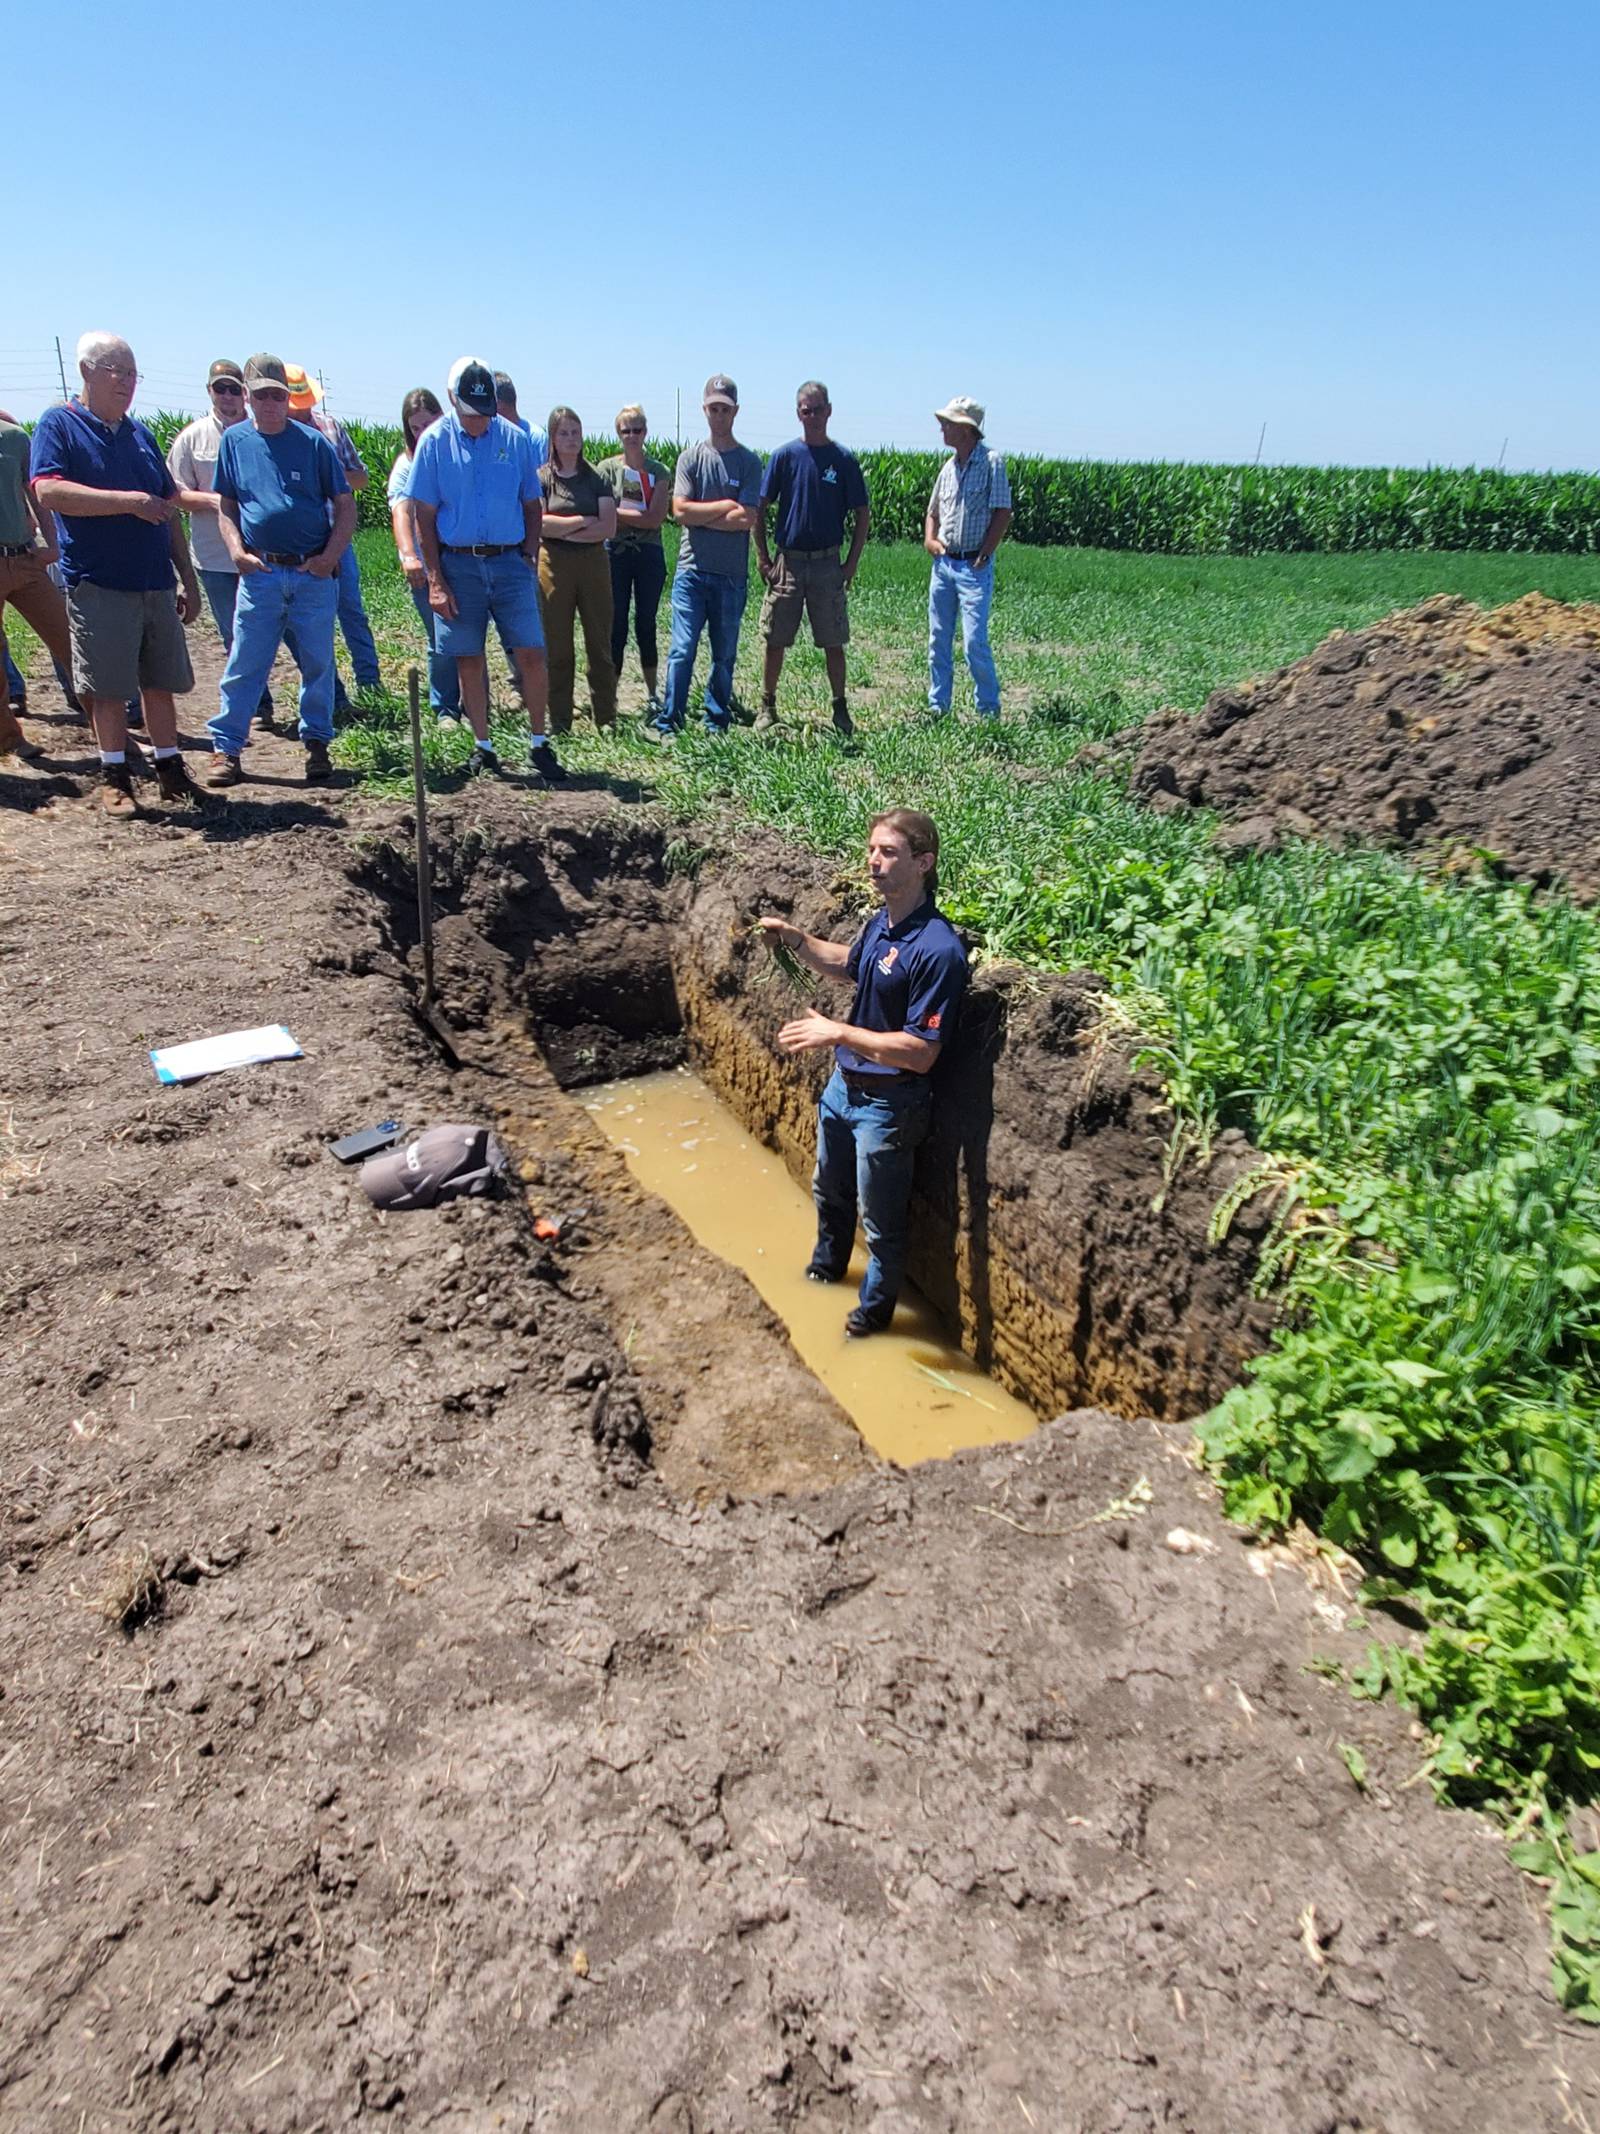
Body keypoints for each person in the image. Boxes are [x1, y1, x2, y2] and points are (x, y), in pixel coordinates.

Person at [756, 809, 968, 1338]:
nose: (874, 863)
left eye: (888, 853)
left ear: (924, 863)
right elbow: (851, 962)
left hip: (889, 1108)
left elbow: (921, 1052)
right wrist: (797, 941)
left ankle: (869, 1320)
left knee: (881, 1227)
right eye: (872, 850)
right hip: (842, 1090)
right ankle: (824, 1271)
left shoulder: (939, 950)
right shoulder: (881, 923)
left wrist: (839, 1034)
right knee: (829, 1191)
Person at [29, 330, 204, 815]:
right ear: (86, 372)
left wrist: (187, 578)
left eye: (132, 373)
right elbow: (48, 492)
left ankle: (171, 773)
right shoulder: (59, 425)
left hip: (154, 582)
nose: (127, 382)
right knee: (107, 688)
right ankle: (115, 778)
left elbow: (167, 510)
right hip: (99, 582)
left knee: (160, 681)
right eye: (116, 371)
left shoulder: (139, 434)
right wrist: (127, 503)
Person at [406, 355, 563, 781]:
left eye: (486, 411)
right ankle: (483, 746)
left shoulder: (512, 440)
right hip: (459, 566)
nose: (480, 421)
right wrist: (435, 580)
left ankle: (539, 743)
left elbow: (533, 504)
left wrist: (529, 556)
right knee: (468, 658)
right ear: (454, 400)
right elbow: (422, 513)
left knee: (531, 651)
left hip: (510, 564)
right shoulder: (435, 442)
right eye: (471, 413)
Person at [203, 353, 354, 787]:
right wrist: (236, 551)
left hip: (311, 573)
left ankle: (317, 744)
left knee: (317, 662)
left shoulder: (312, 443)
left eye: (277, 395)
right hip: (261, 574)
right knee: (245, 661)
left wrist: (329, 558)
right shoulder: (235, 442)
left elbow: (345, 505)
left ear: (287, 398)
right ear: (248, 398)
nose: (270, 403)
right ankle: (227, 748)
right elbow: (227, 504)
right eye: (261, 395)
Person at [754, 381, 871, 738]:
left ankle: (840, 708)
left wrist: (850, 564)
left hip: (826, 564)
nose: (813, 416)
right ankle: (767, 705)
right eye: (806, 410)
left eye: (818, 409)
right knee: (775, 639)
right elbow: (759, 510)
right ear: (798, 414)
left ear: (829, 411)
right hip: (787, 562)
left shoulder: (843, 460)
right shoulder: (784, 457)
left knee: (833, 640)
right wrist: (763, 558)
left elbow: (862, 514)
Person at [651, 375, 763, 742]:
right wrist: (725, 506)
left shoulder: (748, 462)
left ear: (735, 412)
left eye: (725, 409)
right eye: (713, 408)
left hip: (731, 575)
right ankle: (671, 720)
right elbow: (680, 511)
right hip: (692, 572)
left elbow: (746, 519)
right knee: (682, 649)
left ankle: (716, 720)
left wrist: (706, 513)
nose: (719, 415)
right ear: (705, 410)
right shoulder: (691, 459)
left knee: (724, 654)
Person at [167, 358, 275, 729]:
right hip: (215, 556)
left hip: (264, 552)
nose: (228, 396)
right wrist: (218, 501)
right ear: (210, 391)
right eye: (220, 388)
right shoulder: (191, 438)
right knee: (234, 634)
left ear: (245, 393)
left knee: (284, 628)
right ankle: (258, 705)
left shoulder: (262, 432)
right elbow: (174, 494)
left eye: (234, 389)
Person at [285, 364, 382, 706]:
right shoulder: (275, 437)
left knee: (352, 613)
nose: (304, 409)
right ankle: (333, 695)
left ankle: (371, 686)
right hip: (301, 547)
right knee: (312, 624)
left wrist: (332, 478)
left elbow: (361, 477)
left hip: (338, 541)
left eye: (307, 402)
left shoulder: (330, 428)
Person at [924, 396, 1012, 721]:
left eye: (947, 423)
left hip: (974, 566)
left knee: (974, 641)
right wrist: (930, 540)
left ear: (965, 429)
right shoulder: (947, 469)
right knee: (938, 640)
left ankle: (988, 710)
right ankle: (938, 706)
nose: (942, 428)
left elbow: (1003, 512)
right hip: (945, 566)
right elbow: (932, 512)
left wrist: (986, 552)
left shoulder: (992, 463)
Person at [0, 404, 76, 758]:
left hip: (25, 558)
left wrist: (52, 543)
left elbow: (37, 495)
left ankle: (115, 734)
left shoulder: (15, 438)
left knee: (70, 640)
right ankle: (9, 739)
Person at [538, 406, 617, 734]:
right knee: (558, 647)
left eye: (575, 432)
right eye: (563, 433)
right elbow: (540, 524)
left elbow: (608, 527)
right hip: (553, 565)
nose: (571, 439)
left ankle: (605, 717)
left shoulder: (596, 477)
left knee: (599, 643)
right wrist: (583, 521)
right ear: (553, 439)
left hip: (593, 564)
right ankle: (559, 720)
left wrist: (566, 528)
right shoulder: (542, 478)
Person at [388, 387, 462, 724]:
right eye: (415, 428)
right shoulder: (407, 465)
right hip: (426, 565)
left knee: (467, 634)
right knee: (440, 636)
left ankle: (478, 706)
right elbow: (402, 512)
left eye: (428, 424)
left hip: (462, 558)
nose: (423, 433)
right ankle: (445, 707)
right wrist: (409, 556)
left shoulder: (458, 454)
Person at [597, 406, 670, 715]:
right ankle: (610, 696)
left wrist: (617, 513)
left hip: (648, 556)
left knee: (646, 623)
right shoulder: (605, 470)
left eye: (637, 430)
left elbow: (656, 519)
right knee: (616, 626)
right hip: (614, 554)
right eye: (626, 430)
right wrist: (631, 516)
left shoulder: (659, 471)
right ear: (618, 433)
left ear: (645, 432)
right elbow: (601, 516)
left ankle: (653, 693)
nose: (631, 436)